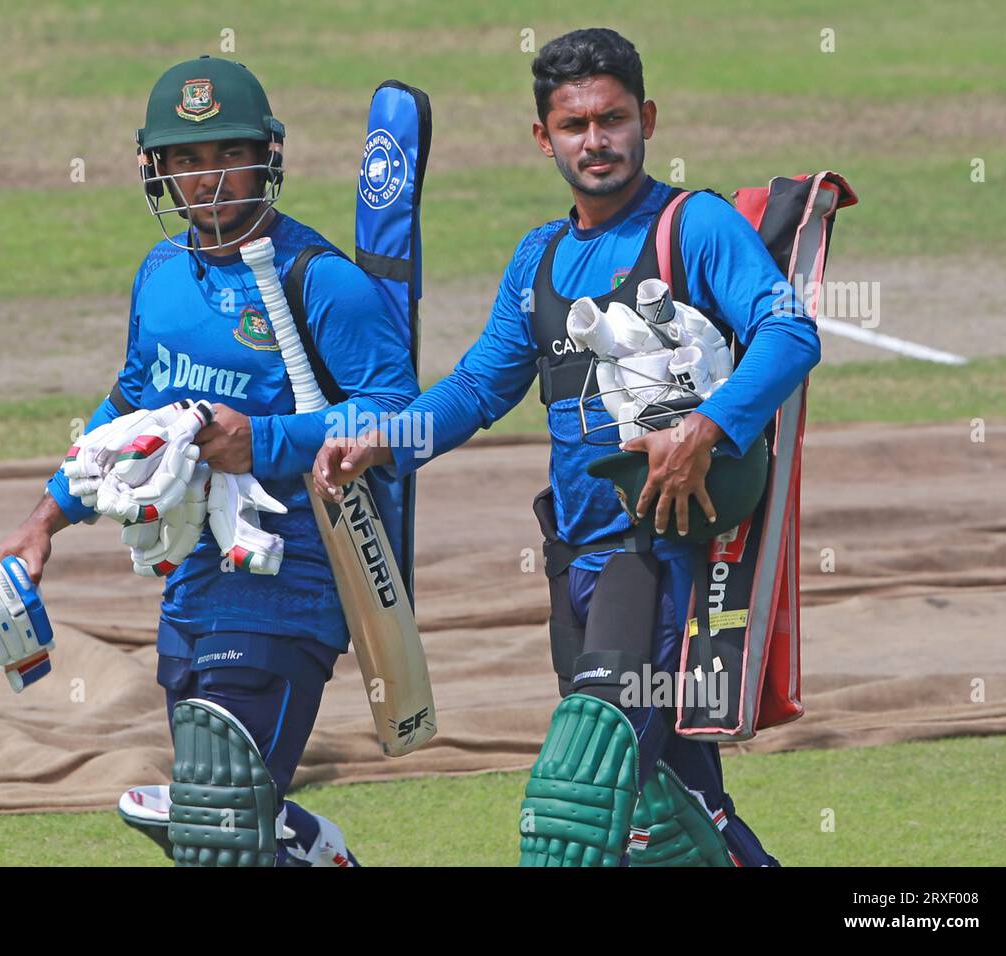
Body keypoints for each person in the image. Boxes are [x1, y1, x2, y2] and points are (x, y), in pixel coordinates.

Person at [312, 28, 821, 866]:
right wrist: (380, 440)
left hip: (657, 556)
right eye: (576, 125)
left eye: (613, 119)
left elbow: (788, 332)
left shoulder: (693, 226)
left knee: (575, 802)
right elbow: (477, 390)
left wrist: (708, 427)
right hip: (573, 563)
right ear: (543, 138)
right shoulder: (538, 260)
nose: (597, 141)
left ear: (646, 119)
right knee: (672, 813)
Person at [0, 55, 419, 866]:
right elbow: (125, 410)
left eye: (227, 153)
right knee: (225, 837)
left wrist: (263, 440)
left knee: (218, 818)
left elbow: (396, 415)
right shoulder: (159, 277)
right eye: (185, 159)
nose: (209, 178)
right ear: (157, 171)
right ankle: (310, 849)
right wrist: (45, 517)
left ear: (268, 156)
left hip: (292, 576)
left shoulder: (320, 281)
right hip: (187, 580)